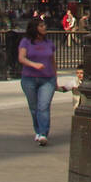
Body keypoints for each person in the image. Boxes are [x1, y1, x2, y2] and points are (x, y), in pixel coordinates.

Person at [18, 17, 58, 146]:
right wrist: (34, 65)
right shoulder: (26, 42)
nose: (44, 28)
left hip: (47, 79)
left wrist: (55, 79)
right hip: (29, 78)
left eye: (44, 25)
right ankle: (38, 130)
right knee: (34, 107)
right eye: (41, 26)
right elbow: (21, 58)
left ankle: (43, 133)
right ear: (35, 28)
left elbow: (52, 61)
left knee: (43, 106)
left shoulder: (49, 43)